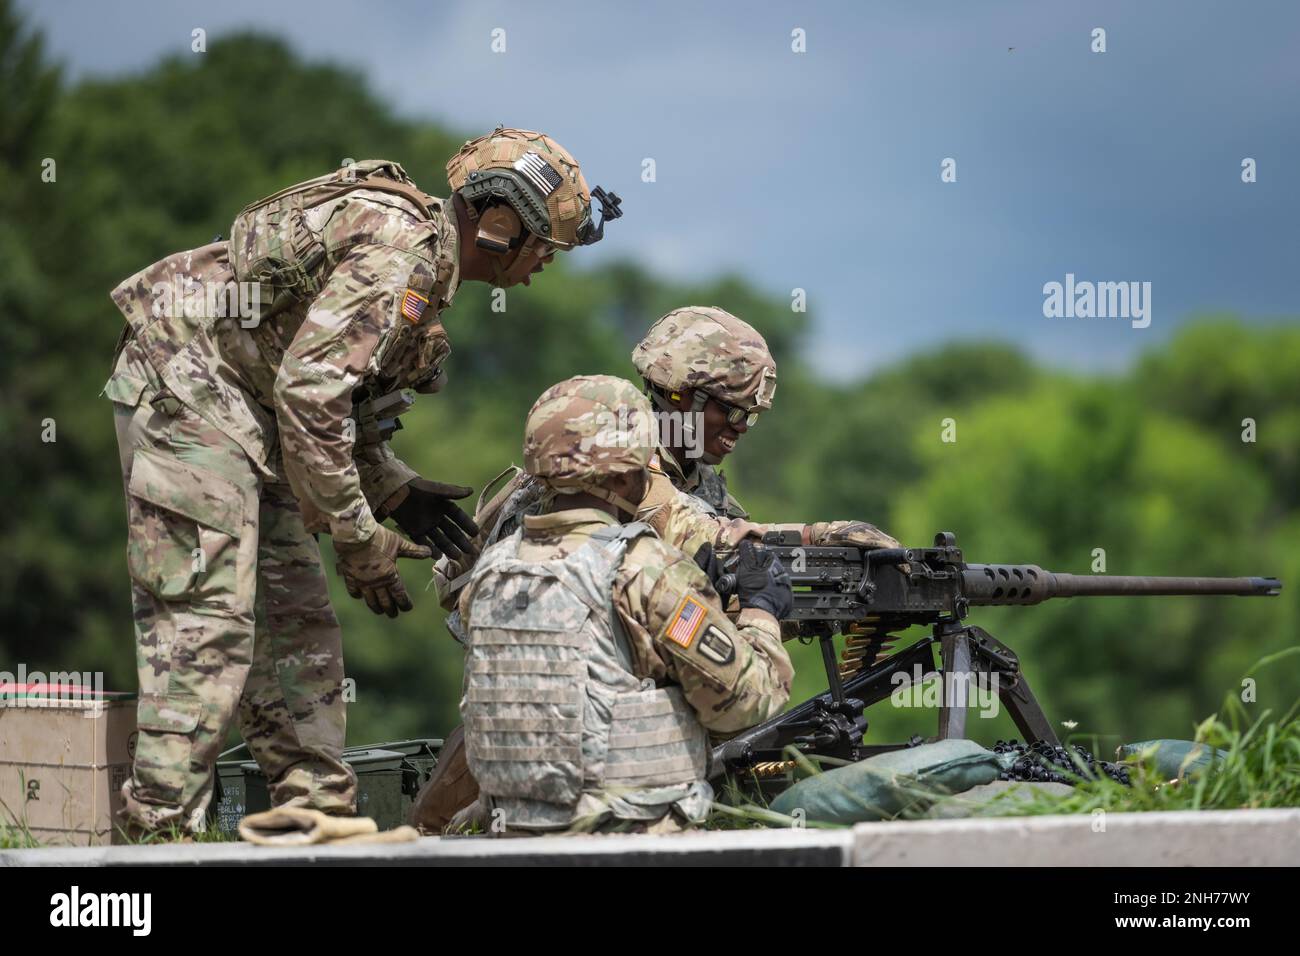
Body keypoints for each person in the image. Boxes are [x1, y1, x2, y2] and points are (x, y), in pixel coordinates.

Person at [104, 128, 621, 836]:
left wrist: (389, 486)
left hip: (260, 414)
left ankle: (314, 819)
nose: (542, 269)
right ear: (500, 226)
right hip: (190, 387)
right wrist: (356, 538)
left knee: (298, 628)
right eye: (543, 249)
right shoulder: (397, 260)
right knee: (205, 623)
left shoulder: (423, 278)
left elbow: (334, 398)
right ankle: (155, 838)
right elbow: (311, 396)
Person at [412, 306, 894, 831]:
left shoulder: (696, 471)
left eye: (749, 417)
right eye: (729, 411)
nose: (739, 429)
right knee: (506, 759)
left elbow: (727, 559)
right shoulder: (612, 450)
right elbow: (698, 534)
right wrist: (814, 538)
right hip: (541, 665)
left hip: (603, 668)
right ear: (680, 395)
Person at [453, 375, 792, 833]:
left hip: (516, 834)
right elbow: (746, 704)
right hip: (628, 840)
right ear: (622, 475)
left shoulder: (491, 573)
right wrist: (760, 612)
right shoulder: (646, 569)